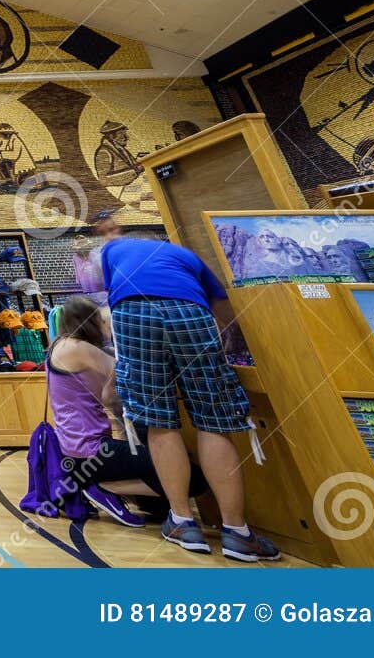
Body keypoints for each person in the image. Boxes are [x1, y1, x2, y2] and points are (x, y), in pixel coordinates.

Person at [90, 216, 281, 562]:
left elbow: (106, 283)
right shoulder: (184, 255)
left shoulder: (113, 249)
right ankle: (237, 532)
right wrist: (234, 341)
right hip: (191, 310)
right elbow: (224, 308)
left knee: (159, 420)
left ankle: (182, 521)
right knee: (213, 421)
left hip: (134, 311)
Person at [47, 295, 206, 528]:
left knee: (157, 483)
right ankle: (105, 487)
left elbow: (106, 395)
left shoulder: (59, 347)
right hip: (91, 451)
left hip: (76, 449)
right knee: (193, 476)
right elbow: (130, 371)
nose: (105, 326)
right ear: (91, 322)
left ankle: (118, 490)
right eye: (102, 321)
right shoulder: (79, 348)